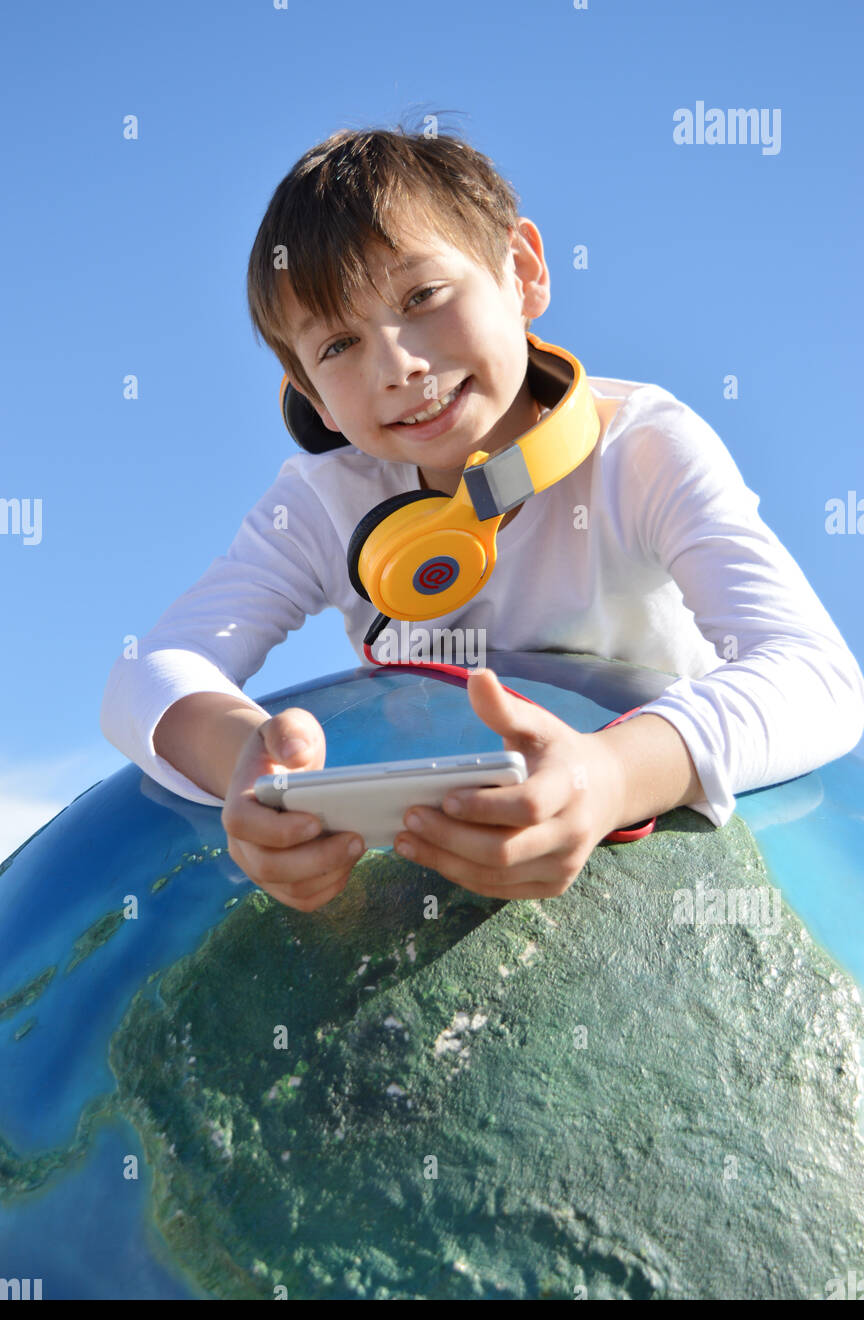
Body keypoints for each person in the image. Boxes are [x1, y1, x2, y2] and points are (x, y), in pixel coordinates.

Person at [100, 123, 864, 912]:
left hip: (669, 865)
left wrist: (610, 775)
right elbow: (145, 673)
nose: (398, 367)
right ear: (310, 393)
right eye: (338, 346)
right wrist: (248, 766)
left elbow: (818, 677)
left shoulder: (643, 448)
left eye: (422, 297)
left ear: (523, 271)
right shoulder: (325, 503)